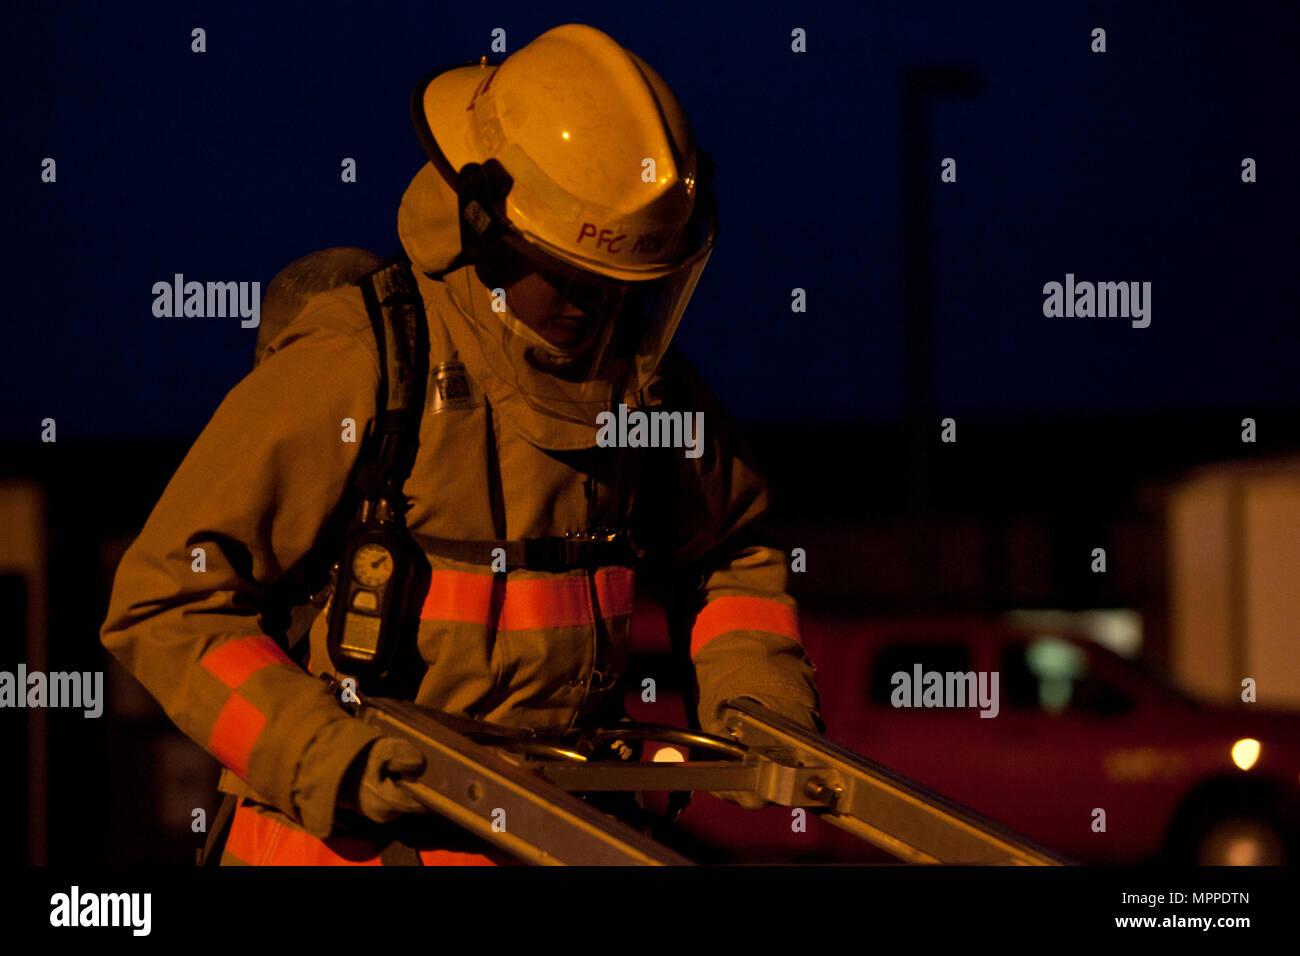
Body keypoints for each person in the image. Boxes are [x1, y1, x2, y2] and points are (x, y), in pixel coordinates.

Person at [99, 22, 822, 866]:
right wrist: (320, 752)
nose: (598, 314)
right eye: (573, 276)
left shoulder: (637, 388)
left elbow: (730, 547)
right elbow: (167, 603)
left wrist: (753, 699)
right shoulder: (363, 363)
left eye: (627, 290)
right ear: (484, 229)